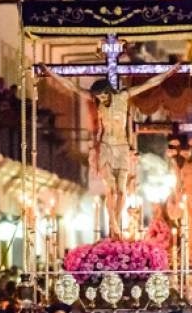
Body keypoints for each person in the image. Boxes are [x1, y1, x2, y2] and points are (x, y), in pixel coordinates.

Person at [41, 63, 180, 238]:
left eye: (103, 95)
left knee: (121, 190)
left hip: (121, 147)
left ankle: (116, 221)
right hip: (106, 146)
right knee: (110, 190)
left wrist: (169, 72)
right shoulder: (97, 102)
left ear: (109, 91)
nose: (101, 99)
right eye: (98, 97)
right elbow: (72, 87)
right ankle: (114, 225)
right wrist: (51, 73)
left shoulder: (123, 97)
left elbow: (150, 83)